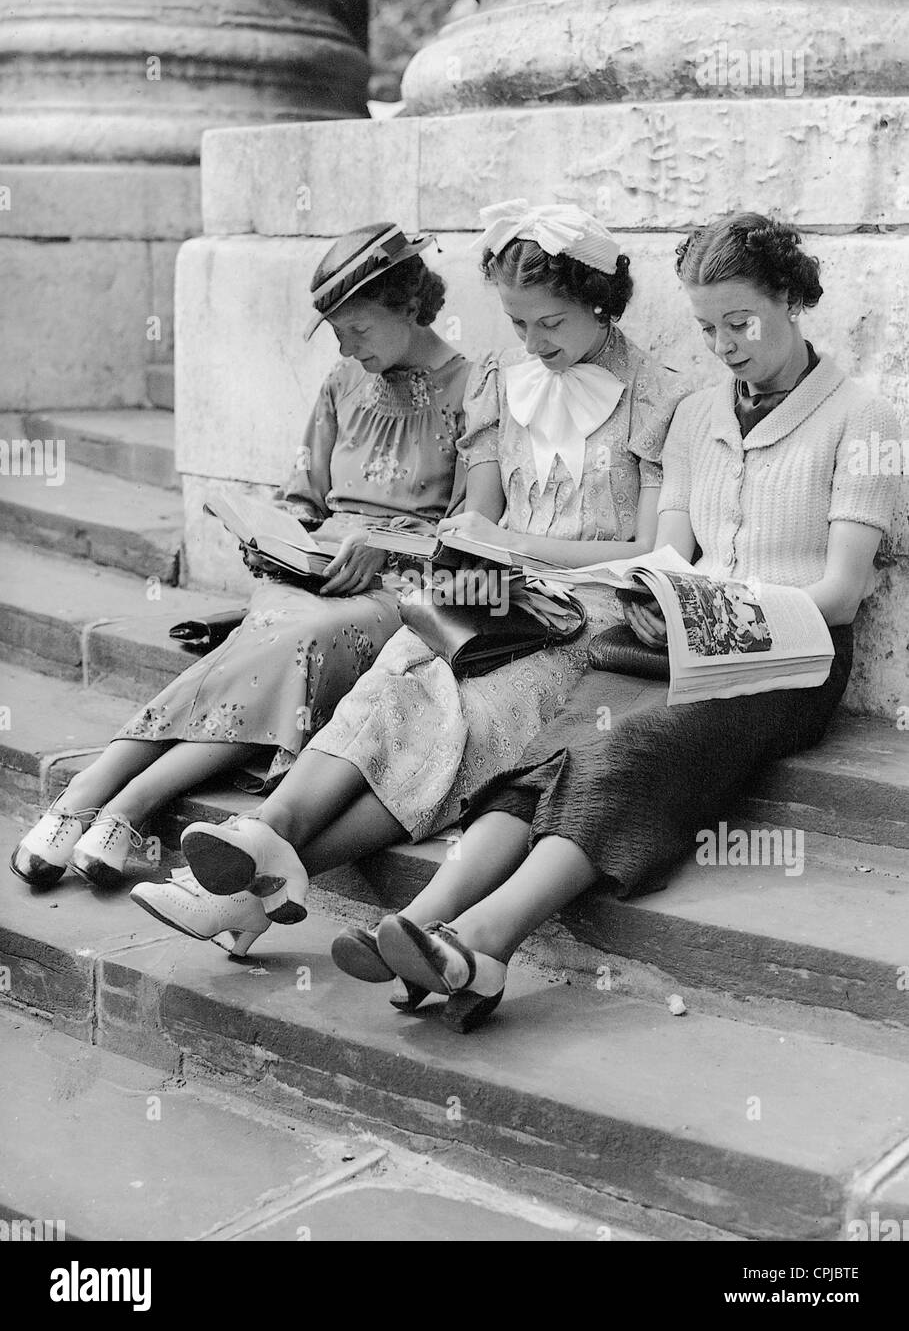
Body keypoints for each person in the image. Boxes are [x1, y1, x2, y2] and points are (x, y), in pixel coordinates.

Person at [343, 211, 901, 1031]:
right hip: (677, 633)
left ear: (790, 297)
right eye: (707, 327)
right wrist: (655, 591)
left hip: (792, 655)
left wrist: (724, 608)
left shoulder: (863, 418)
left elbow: (841, 594)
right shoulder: (698, 413)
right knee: (552, 751)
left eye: (740, 322)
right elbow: (669, 552)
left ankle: (484, 942)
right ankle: (422, 920)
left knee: (632, 750)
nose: (725, 346)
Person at [168, 199, 687, 962]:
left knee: (464, 717)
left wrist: (504, 542)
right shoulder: (500, 388)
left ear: (600, 304)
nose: (533, 343)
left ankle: (250, 891)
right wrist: (476, 550)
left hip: (591, 611)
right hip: (495, 590)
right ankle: (268, 830)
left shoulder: (659, 397)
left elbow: (650, 550)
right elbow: (472, 521)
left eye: (551, 324)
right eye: (518, 325)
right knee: (400, 670)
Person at [11, 223, 471, 944]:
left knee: (299, 637)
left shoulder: (474, 390)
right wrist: (275, 535)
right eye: (337, 334)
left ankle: (112, 802)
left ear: (410, 304)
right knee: (279, 626)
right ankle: (99, 804)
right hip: (312, 577)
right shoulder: (343, 383)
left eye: (357, 328)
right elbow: (304, 491)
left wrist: (383, 546)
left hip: (402, 592)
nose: (347, 348)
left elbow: (476, 532)